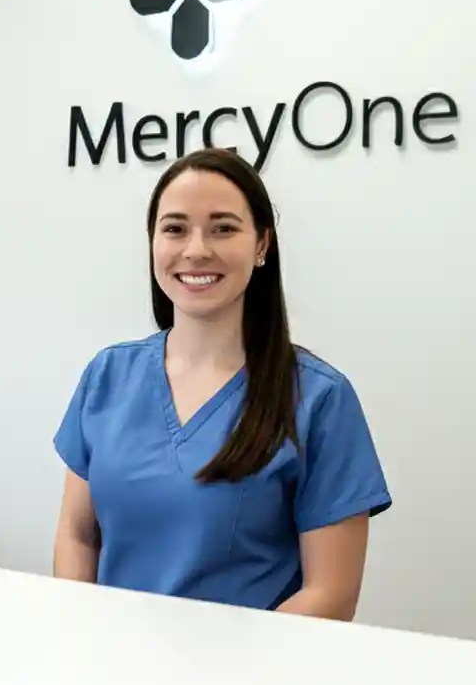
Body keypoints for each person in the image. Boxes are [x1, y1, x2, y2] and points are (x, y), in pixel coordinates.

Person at [52, 148, 391, 620]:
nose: (196, 249)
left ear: (261, 246)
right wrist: (85, 633)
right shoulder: (107, 377)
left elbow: (331, 594)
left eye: (223, 228)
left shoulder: (320, 399)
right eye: (174, 228)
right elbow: (78, 534)